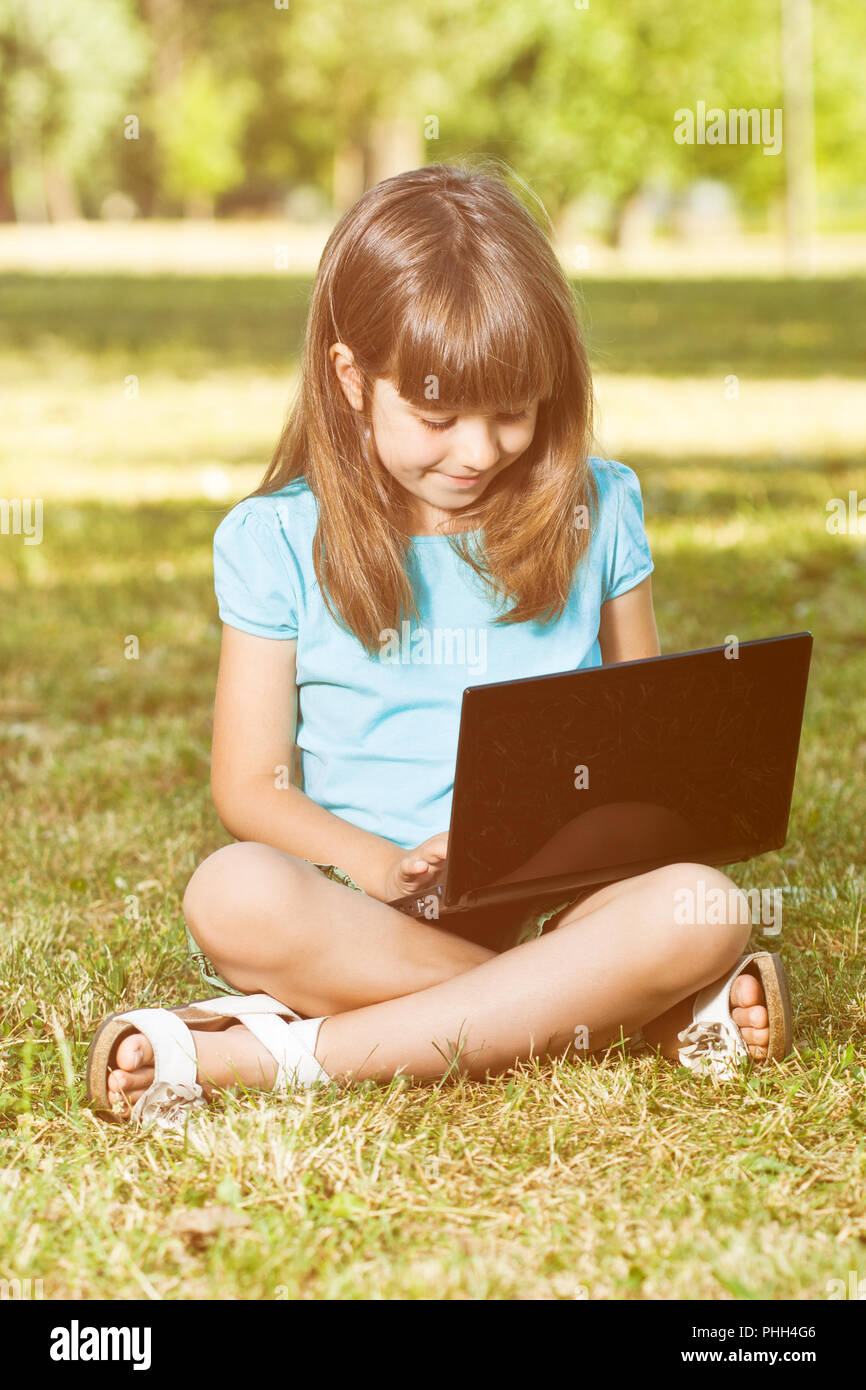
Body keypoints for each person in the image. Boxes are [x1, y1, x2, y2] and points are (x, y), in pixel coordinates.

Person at [87, 163, 788, 1128]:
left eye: (513, 411)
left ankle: (275, 1057)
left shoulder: (601, 505)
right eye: (437, 415)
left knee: (701, 905)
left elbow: (646, 744)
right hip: (370, 915)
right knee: (231, 892)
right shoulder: (277, 540)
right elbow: (250, 786)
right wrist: (376, 864)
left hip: (566, 904)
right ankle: (611, 1009)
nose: (477, 450)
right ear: (351, 380)